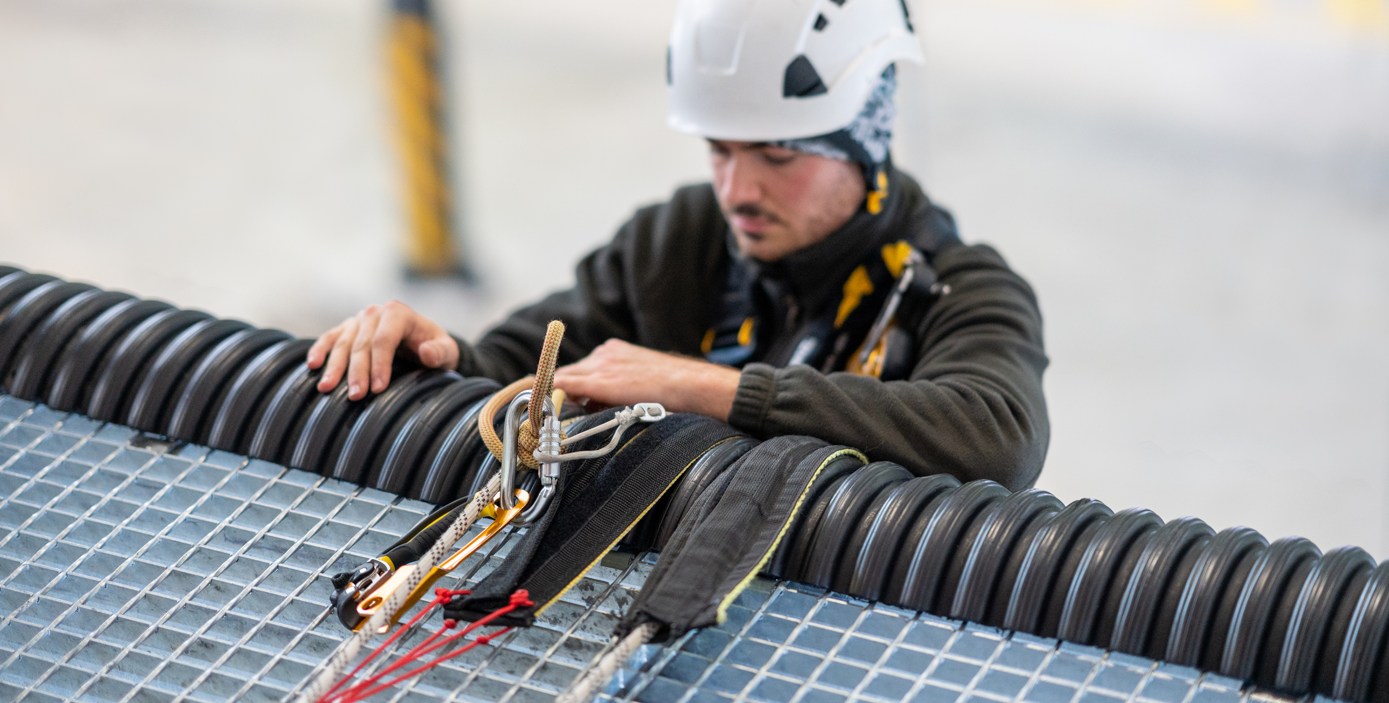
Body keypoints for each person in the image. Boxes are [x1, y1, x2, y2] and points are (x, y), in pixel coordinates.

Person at [308, 0, 1049, 489]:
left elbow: (996, 436)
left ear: (864, 148)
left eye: (776, 157)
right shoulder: (681, 236)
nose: (738, 189)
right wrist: (440, 358)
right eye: (718, 151)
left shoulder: (960, 286)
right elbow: (523, 367)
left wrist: (703, 388)